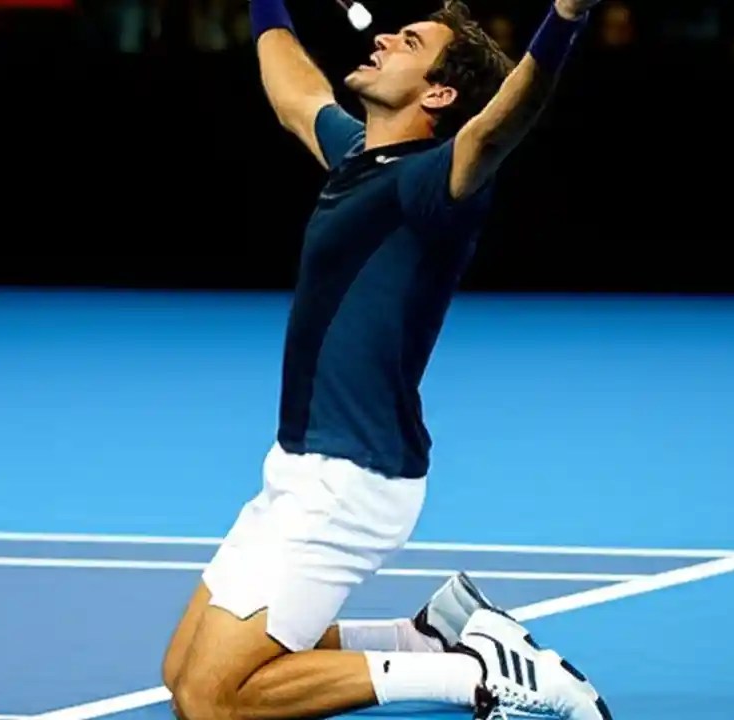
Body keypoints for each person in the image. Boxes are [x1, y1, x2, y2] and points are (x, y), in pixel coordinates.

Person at [161, 0, 611, 719]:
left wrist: (561, 18)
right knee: (183, 673)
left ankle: (482, 680)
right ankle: (426, 637)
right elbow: (294, 92)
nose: (380, 38)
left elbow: (499, 126)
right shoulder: (355, 157)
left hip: (350, 479)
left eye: (408, 42)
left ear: (438, 94)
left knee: (215, 701)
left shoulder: (433, 184)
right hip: (300, 467)